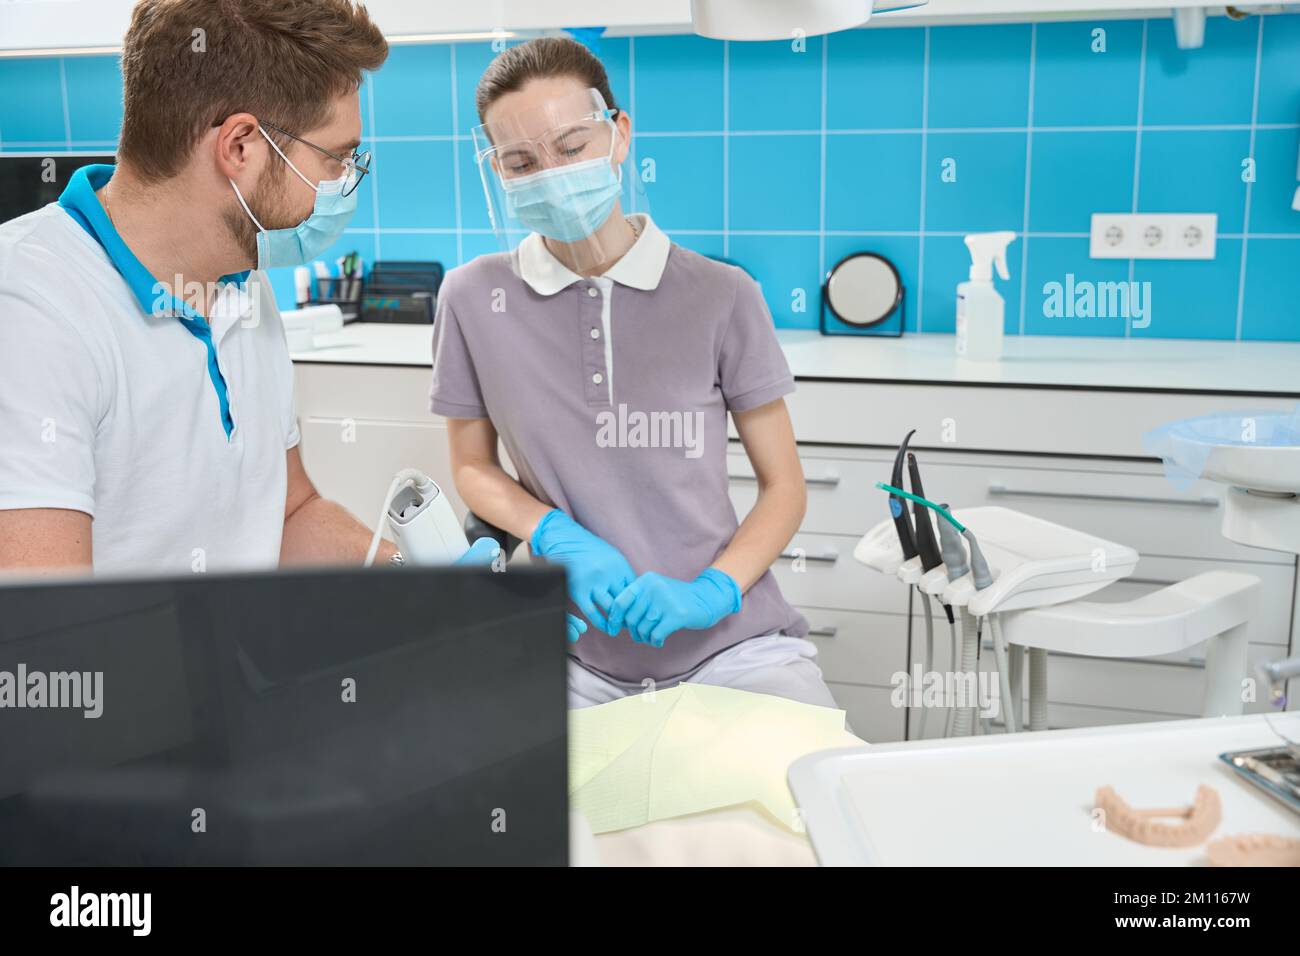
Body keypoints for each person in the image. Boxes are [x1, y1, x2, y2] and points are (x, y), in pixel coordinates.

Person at [431, 37, 838, 710]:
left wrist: (711, 592)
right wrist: (554, 533)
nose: (550, 174)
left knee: (797, 792)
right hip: (570, 655)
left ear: (619, 135)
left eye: (570, 146)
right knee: (506, 802)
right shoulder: (473, 298)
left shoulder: (722, 294)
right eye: (521, 161)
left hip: (734, 647)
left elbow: (783, 486)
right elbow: (473, 468)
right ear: (496, 171)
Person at [0, 0, 472, 574]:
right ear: (240, 146)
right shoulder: (30, 307)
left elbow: (288, 514)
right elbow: (48, 627)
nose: (346, 184)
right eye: (337, 160)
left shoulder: (241, 282)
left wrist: (419, 580)